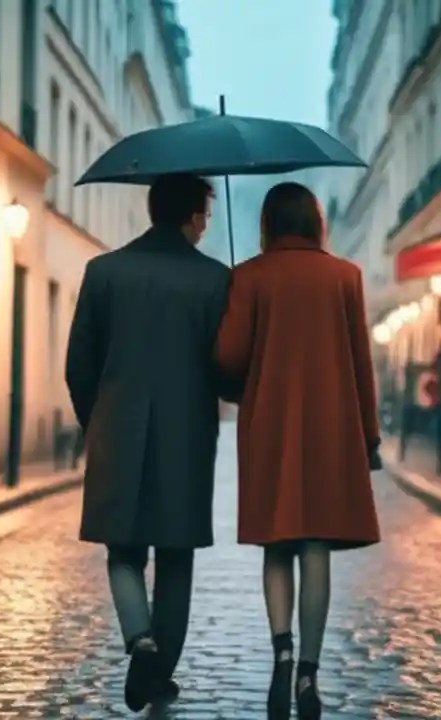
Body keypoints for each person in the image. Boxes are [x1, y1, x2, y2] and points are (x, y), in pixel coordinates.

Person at [215, 182, 380, 720]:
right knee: (315, 547)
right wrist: (370, 437)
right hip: (332, 425)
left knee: (276, 543)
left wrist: (244, 381)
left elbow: (228, 359)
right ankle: (309, 671)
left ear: (267, 222)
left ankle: (281, 649)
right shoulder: (346, 277)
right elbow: (361, 365)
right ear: (315, 220)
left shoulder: (250, 276)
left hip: (270, 424)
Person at [65, 173, 228, 712]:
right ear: (189, 216)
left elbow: (78, 365)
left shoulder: (104, 271)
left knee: (123, 549)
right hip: (186, 437)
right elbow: (226, 370)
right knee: (176, 558)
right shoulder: (214, 280)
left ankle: (139, 636)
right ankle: (155, 675)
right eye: (204, 214)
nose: (206, 224)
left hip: (118, 427)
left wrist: (99, 422)